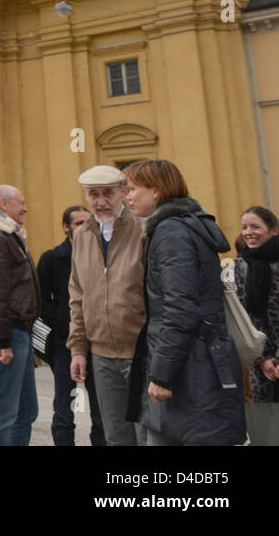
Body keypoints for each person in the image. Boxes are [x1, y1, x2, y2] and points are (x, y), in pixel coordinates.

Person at [124, 159, 245, 446]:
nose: (127, 197)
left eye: (131, 189)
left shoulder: (171, 233)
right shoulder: (183, 227)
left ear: (156, 191)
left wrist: (162, 375)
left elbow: (179, 309)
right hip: (196, 362)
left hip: (190, 369)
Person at [68, 165, 146, 446]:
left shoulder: (143, 229)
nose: (101, 201)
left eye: (108, 194)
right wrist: (78, 348)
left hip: (142, 351)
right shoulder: (82, 235)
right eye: (93, 194)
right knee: (115, 436)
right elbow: (77, 295)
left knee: (149, 435)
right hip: (101, 354)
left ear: (124, 193)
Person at [0, 185, 40, 446]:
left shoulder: (9, 236)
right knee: (4, 411)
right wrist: (3, 342)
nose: (25, 208)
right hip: (9, 332)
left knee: (27, 409)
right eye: (21, 202)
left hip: (19, 331)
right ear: (4, 203)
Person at [38, 206, 105, 446]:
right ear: (66, 227)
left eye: (90, 223)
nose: (86, 228)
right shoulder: (52, 258)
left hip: (99, 343)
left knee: (101, 412)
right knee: (64, 411)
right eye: (79, 223)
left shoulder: (103, 254)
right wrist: (58, 326)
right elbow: (42, 301)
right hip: (64, 344)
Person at [235, 206, 279, 444]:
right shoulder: (242, 266)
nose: (248, 233)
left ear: (273, 230)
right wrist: (262, 358)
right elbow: (246, 315)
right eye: (244, 228)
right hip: (262, 362)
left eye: (255, 227)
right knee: (266, 429)